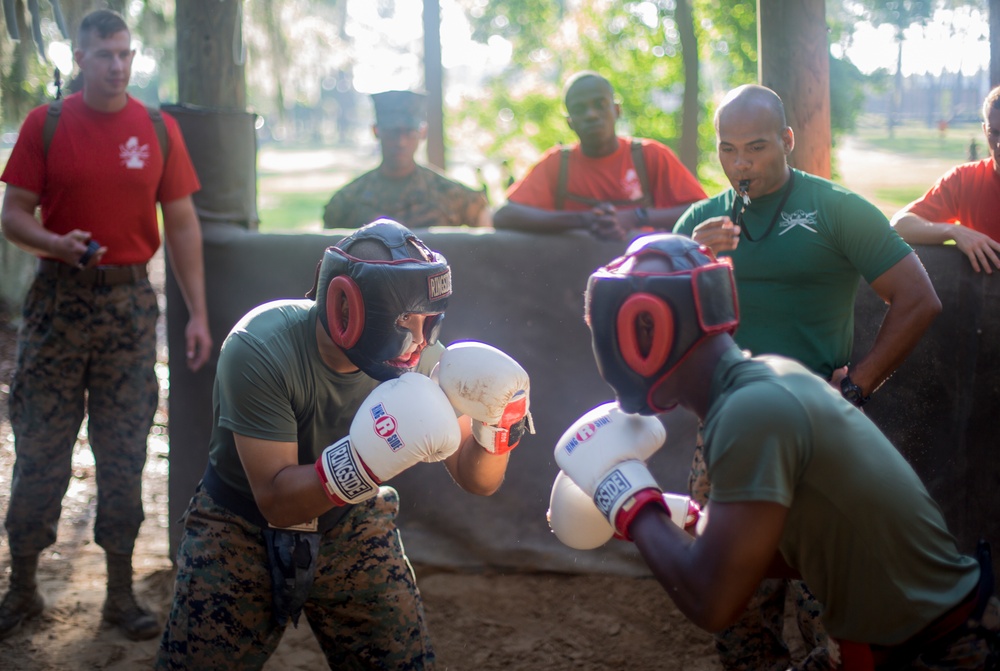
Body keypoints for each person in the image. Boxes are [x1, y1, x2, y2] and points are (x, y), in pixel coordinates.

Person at [551, 233, 999, 670]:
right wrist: (682, 522)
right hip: (917, 634)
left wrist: (629, 501)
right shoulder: (773, 376)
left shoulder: (751, 412)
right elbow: (795, 547)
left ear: (647, 326)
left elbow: (713, 602)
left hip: (940, 649)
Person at [156, 220, 532, 669]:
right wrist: (363, 462)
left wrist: (499, 427)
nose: (418, 339)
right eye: (403, 319)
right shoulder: (261, 345)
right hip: (238, 527)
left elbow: (477, 480)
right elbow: (276, 501)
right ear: (346, 308)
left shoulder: (421, 358)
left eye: (429, 320)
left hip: (351, 525)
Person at [672, 84, 942, 669]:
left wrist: (855, 388)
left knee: (834, 601)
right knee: (737, 594)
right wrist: (689, 260)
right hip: (728, 427)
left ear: (788, 141)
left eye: (757, 147)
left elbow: (919, 299)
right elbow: (653, 325)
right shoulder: (700, 222)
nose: (741, 163)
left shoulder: (835, 208)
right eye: (728, 150)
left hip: (818, 425)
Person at [0, 9, 211, 641]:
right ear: (81, 56)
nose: (117, 66)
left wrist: (197, 313)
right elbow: (12, 214)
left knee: (123, 452)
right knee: (40, 447)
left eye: (125, 54)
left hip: (128, 310)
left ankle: (120, 596)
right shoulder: (48, 123)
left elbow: (182, 224)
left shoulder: (157, 129)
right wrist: (56, 243)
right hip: (57, 306)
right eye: (104, 55)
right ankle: (23, 589)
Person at [493, 71, 708, 241]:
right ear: (570, 122)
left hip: (643, 276)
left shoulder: (650, 156)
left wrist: (635, 217)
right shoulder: (558, 164)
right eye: (580, 109)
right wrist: (584, 220)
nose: (591, 114)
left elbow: (704, 213)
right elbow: (505, 216)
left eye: (600, 104)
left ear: (617, 110)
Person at [322, 90, 491, 230]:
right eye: (392, 132)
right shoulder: (348, 201)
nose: (401, 142)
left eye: (409, 132)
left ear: (422, 132)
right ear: (376, 131)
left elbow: (482, 220)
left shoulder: (446, 192)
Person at [890, 85, 1000, 275]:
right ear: (984, 130)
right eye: (995, 133)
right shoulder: (965, 179)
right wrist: (954, 231)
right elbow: (900, 225)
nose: (999, 144)